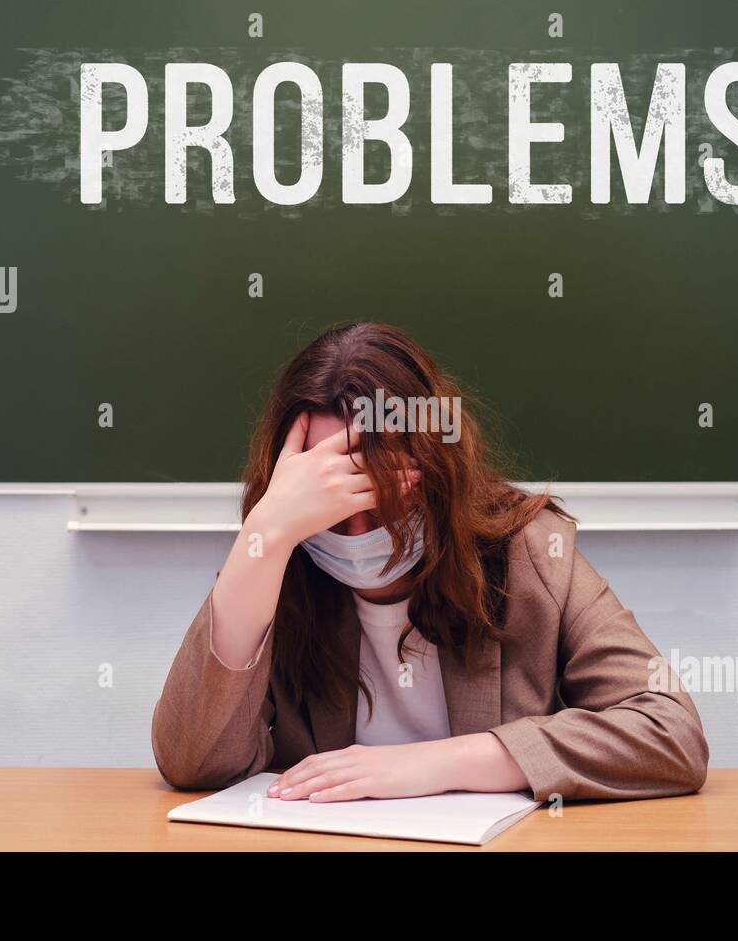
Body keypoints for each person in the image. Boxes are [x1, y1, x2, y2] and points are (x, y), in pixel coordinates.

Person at [152, 322, 708, 803]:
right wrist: (266, 537)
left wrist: (438, 763)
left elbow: (670, 732)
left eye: (380, 494)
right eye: (327, 502)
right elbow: (192, 763)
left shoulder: (532, 553)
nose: (356, 531)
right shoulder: (279, 568)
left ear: (437, 472)